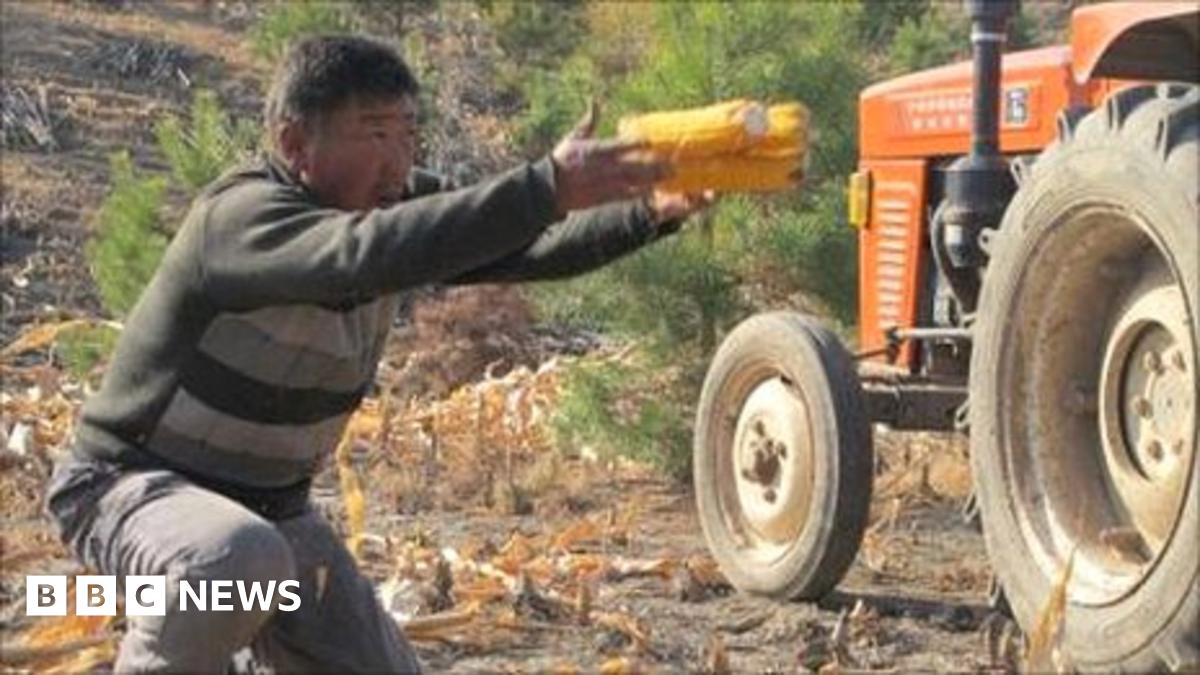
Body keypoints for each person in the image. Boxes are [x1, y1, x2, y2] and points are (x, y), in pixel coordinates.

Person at [44, 35, 711, 673]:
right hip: (130, 492)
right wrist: (546, 187)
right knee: (231, 564)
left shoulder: (397, 204)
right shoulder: (241, 218)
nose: (398, 161)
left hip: (271, 516)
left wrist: (650, 212)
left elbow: (523, 246)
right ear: (293, 142)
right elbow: (361, 253)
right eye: (375, 135)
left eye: (408, 134)